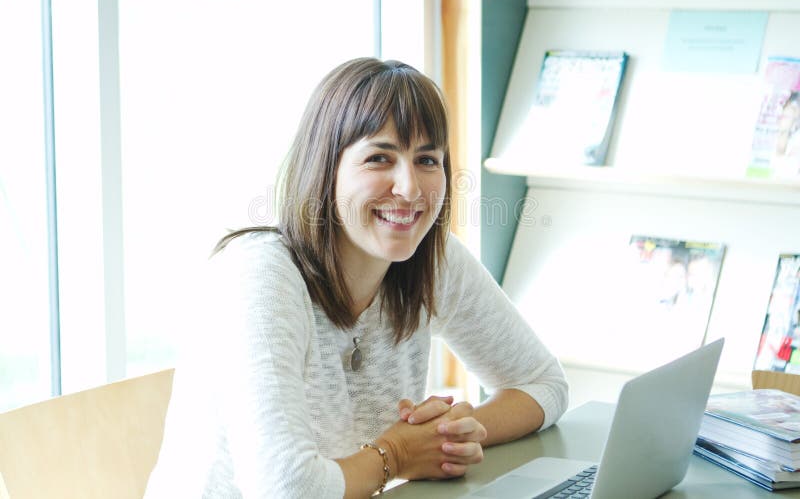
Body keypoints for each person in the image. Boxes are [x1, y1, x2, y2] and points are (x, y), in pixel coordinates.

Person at [144, 58, 568, 498]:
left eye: (427, 159)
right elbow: (287, 489)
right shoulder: (261, 277)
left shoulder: (429, 259)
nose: (409, 188)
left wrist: (452, 433)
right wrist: (397, 455)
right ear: (326, 170)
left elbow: (543, 383)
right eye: (379, 158)